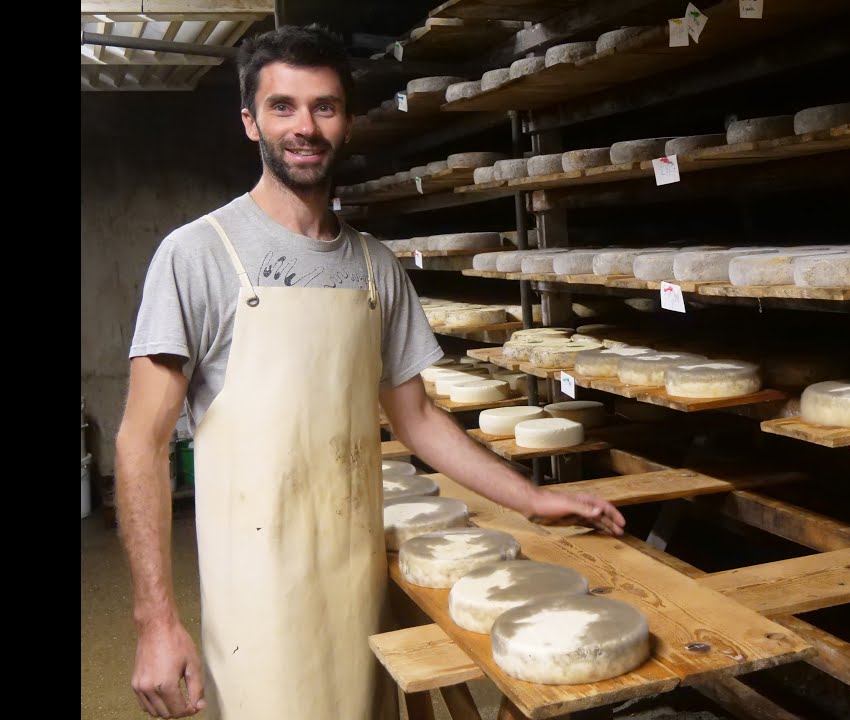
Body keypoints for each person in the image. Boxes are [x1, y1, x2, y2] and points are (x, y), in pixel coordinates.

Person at [114, 24, 625, 720]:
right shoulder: (198, 256)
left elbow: (417, 421)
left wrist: (530, 498)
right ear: (249, 121)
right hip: (257, 600)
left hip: (359, 583)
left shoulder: (373, 267)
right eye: (283, 106)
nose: (305, 127)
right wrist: (155, 620)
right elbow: (139, 443)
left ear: (347, 122)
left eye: (324, 107)